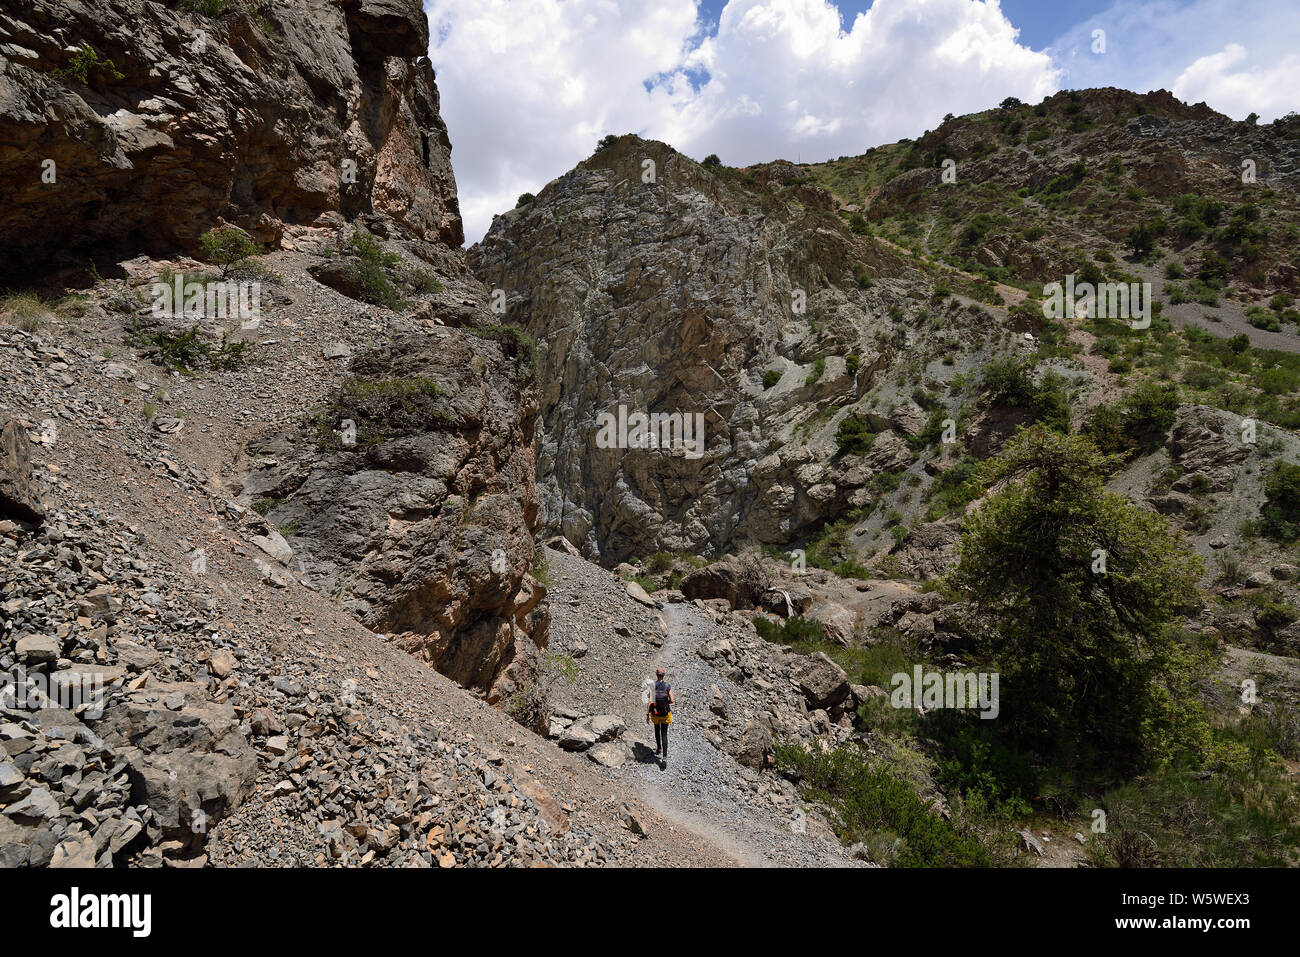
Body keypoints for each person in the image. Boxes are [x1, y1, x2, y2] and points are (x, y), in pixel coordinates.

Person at [646, 666, 673, 767]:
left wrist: (647, 715)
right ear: (664, 675)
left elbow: (649, 701)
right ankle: (664, 757)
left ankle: (658, 748)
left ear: (656, 675)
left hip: (655, 714)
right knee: (664, 733)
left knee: (657, 729)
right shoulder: (667, 686)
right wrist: (667, 703)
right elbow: (672, 700)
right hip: (665, 713)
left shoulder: (652, 686)